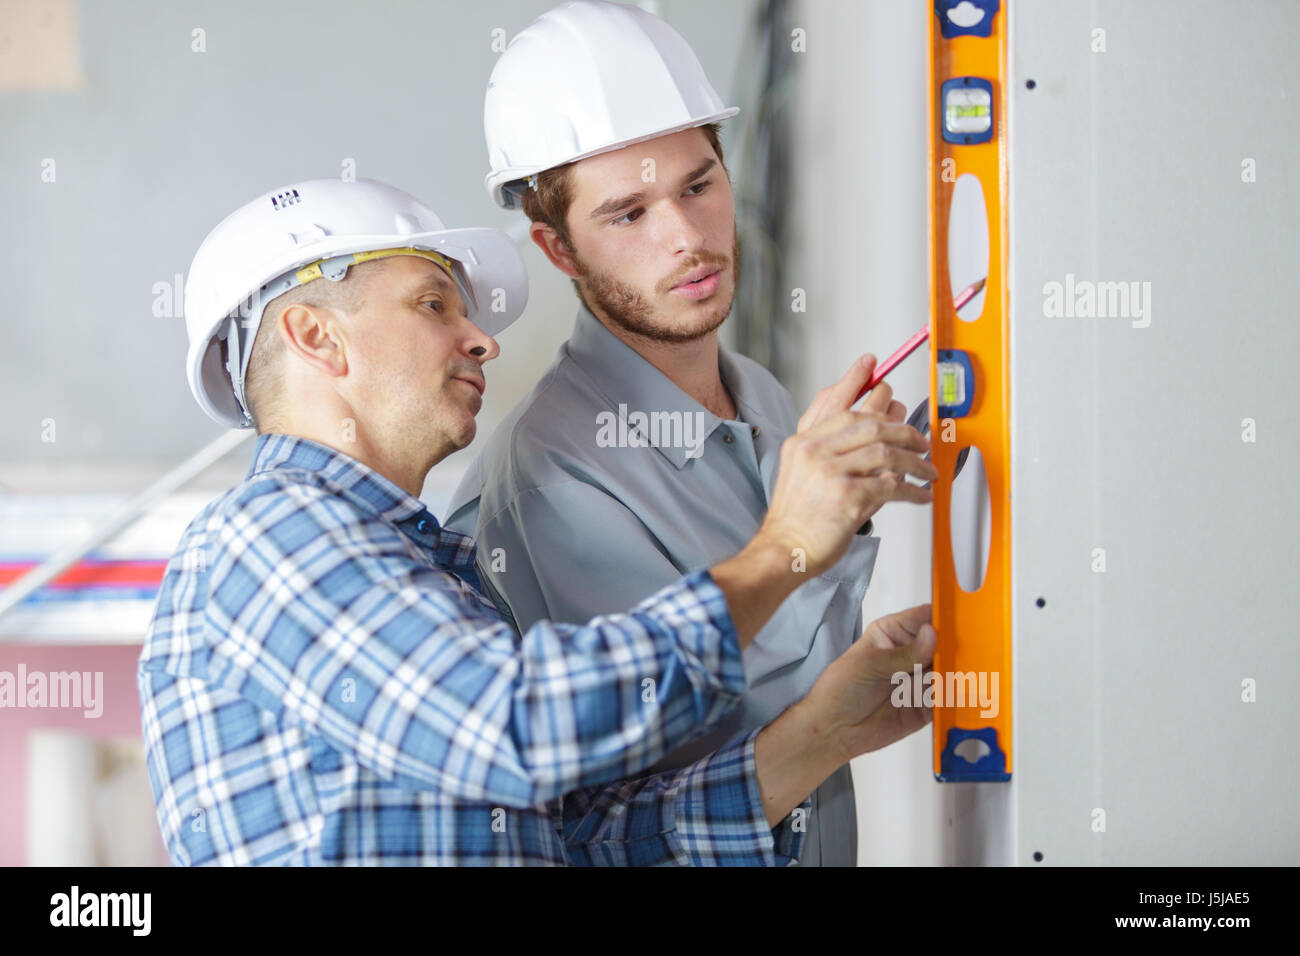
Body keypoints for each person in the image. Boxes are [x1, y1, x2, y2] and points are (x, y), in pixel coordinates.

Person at [138, 177, 936, 866]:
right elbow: (515, 721)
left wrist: (827, 730)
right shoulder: (264, 538)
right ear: (317, 336)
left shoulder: (432, 573)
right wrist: (784, 548)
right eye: (432, 303)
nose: (482, 340)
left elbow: (589, 842)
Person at [447, 0, 934, 865]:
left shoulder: (765, 402)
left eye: (698, 186)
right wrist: (829, 528)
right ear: (558, 250)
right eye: (628, 215)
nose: (688, 240)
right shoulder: (551, 479)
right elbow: (691, 717)